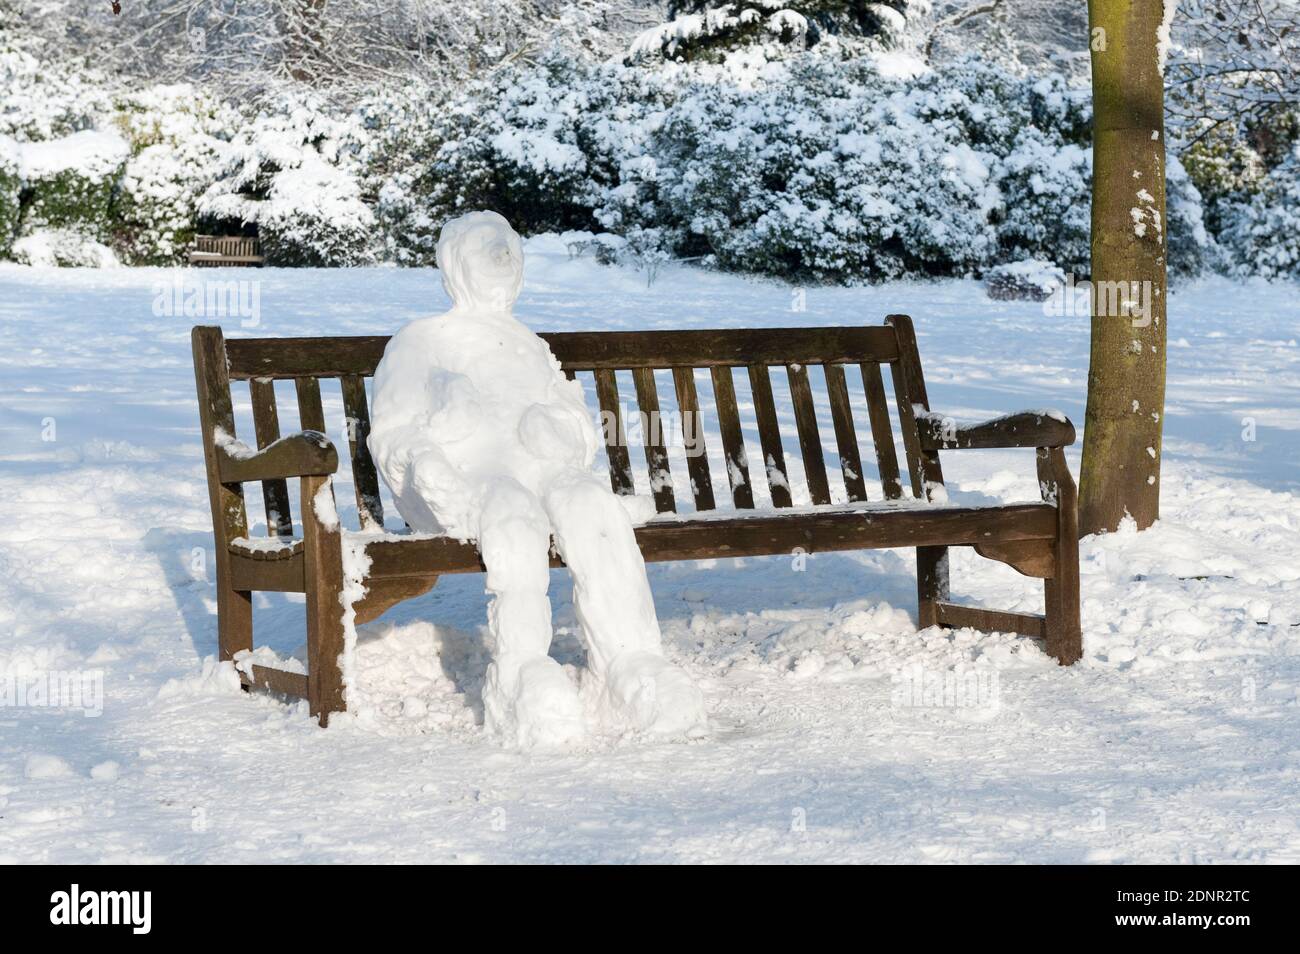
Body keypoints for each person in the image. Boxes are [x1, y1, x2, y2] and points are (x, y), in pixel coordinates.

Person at [368, 211, 706, 747]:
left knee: (590, 501)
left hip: (543, 471)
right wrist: (430, 449)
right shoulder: (420, 342)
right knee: (513, 513)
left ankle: (631, 660)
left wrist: (558, 430)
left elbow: (573, 421)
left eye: (509, 247)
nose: (502, 256)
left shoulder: (527, 345)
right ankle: (523, 669)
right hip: (467, 483)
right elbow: (391, 434)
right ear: (455, 263)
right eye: (487, 247)